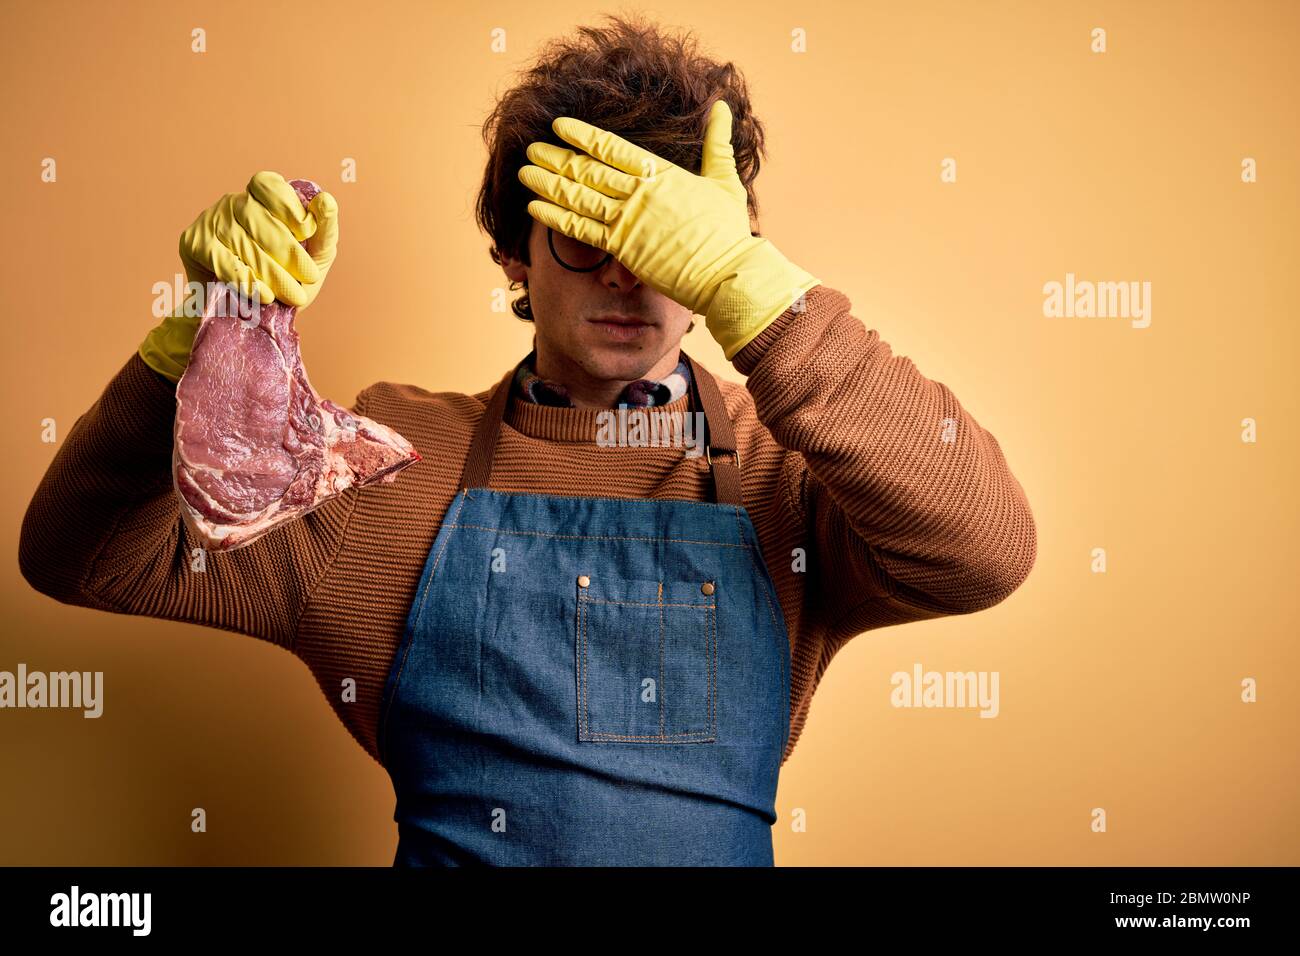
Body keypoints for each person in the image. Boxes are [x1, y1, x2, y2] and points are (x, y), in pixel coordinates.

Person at [18, 14, 1036, 866]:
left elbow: (987, 549)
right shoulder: (386, 464)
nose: (628, 279)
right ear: (513, 250)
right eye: (588, 235)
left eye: (666, 243)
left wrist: (755, 291)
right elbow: (82, 558)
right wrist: (203, 341)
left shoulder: (794, 476)